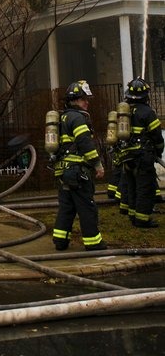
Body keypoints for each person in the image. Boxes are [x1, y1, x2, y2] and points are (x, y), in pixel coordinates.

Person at [52, 80, 106, 251]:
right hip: (78, 172)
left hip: (63, 171)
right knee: (86, 206)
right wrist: (97, 164)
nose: (87, 102)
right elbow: (84, 143)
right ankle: (93, 243)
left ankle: (60, 241)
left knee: (66, 207)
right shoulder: (78, 118)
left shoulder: (62, 117)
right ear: (75, 100)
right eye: (84, 99)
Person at [118, 77, 163, 228]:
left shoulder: (125, 112)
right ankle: (142, 219)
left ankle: (133, 215)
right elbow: (157, 136)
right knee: (145, 188)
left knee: (132, 186)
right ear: (146, 95)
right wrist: (159, 151)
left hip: (127, 156)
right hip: (143, 157)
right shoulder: (147, 112)